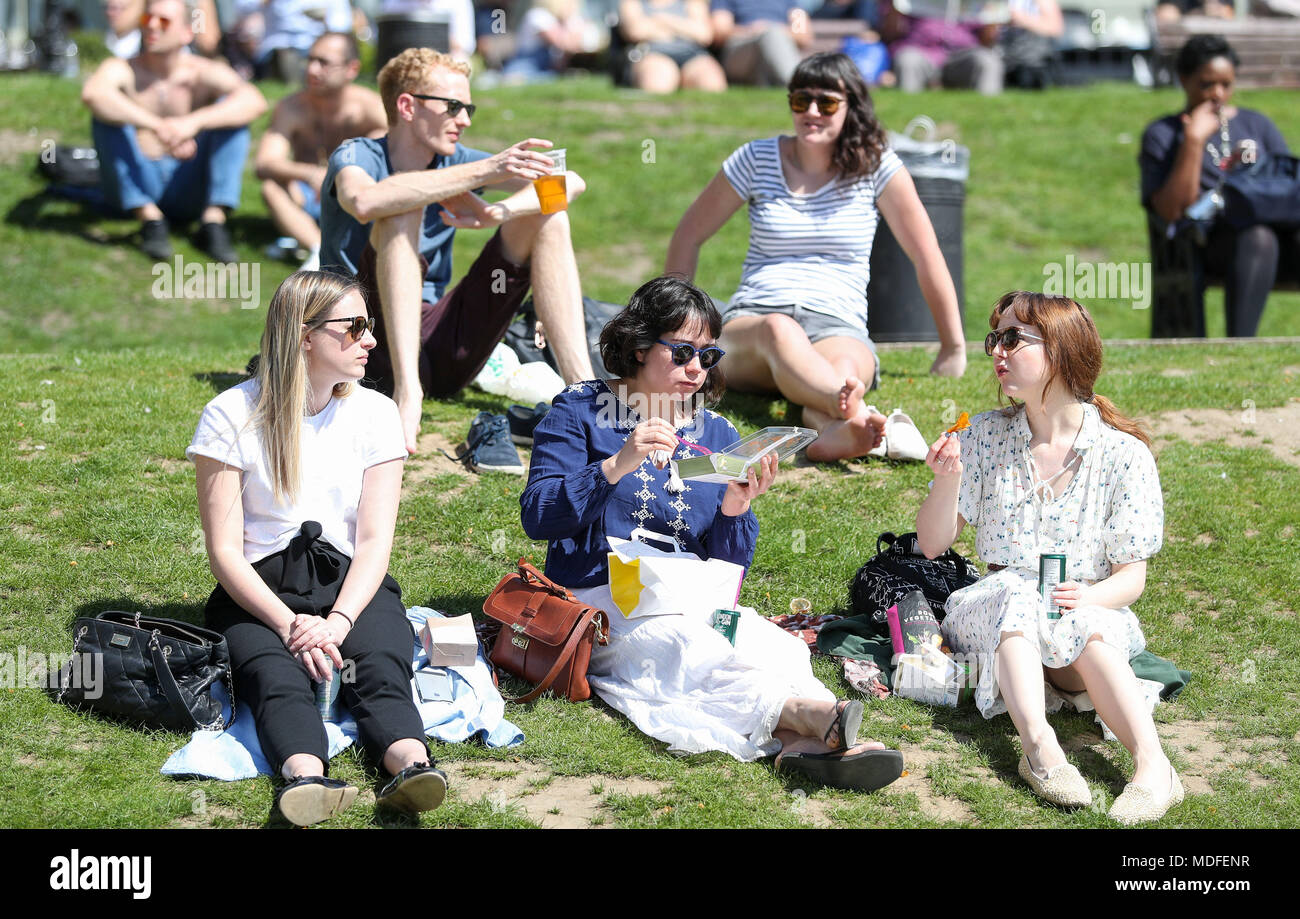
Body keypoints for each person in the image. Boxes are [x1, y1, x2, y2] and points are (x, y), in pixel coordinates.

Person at [520, 276, 905, 790]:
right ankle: (810, 718)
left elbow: (726, 568)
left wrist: (733, 509)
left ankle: (801, 740)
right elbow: (539, 515)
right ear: (637, 345)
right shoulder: (581, 411)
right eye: (682, 353)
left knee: (773, 646)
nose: (696, 369)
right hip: (603, 594)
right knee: (679, 646)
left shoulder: (717, 435)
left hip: (687, 593)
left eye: (709, 356)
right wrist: (616, 464)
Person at [187, 271, 447, 827]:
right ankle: (306, 778)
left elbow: (376, 539)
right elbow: (226, 553)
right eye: (354, 328)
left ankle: (411, 764)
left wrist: (339, 620)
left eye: (369, 326)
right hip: (259, 591)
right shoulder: (230, 415)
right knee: (274, 677)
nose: (370, 340)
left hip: (349, 581)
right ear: (304, 336)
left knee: (380, 660)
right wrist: (290, 626)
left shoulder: (376, 412)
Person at [916, 291, 1181, 825]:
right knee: (1016, 592)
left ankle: (1155, 769)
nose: (998, 351)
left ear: (1059, 352)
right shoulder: (984, 435)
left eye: (1013, 339)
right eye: (995, 338)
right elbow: (931, 544)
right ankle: (1041, 750)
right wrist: (946, 481)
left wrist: (1091, 596)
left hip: (1078, 615)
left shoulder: (1123, 455)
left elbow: (1131, 578)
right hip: (998, 614)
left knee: (1091, 623)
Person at [664, 52, 965, 463]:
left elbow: (926, 254)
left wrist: (953, 347)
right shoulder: (756, 158)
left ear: (850, 107)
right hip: (755, 320)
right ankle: (855, 410)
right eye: (799, 100)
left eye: (825, 103)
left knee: (842, 365)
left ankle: (834, 432)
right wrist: (678, 331)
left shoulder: (877, 166)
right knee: (780, 330)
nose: (811, 112)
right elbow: (689, 233)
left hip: (837, 321)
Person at [319, 46, 595, 454]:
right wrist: (487, 171)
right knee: (401, 205)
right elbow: (364, 201)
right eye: (452, 106)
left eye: (469, 108)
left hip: (440, 346)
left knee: (550, 213)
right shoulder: (358, 154)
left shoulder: (456, 159)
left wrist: (497, 211)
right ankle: (407, 394)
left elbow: (569, 182)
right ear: (407, 106)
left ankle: (583, 396)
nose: (463, 120)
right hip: (358, 339)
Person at [82, 0, 268, 262]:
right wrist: (158, 126)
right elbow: (93, 94)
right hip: (140, 180)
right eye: (148, 19)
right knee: (105, 117)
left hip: (189, 183)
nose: (153, 26)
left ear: (186, 32)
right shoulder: (124, 67)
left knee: (232, 117)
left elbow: (254, 101)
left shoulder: (201, 71)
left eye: (164, 21)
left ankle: (213, 222)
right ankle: (149, 219)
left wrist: (193, 123)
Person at [1140, 33, 1298, 338]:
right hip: (1205, 241)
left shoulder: (1257, 124)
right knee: (1258, 238)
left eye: (1226, 84)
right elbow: (1172, 211)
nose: (1218, 94)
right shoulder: (1163, 134)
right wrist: (1194, 140)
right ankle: (1240, 346)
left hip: (1279, 235)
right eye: (1207, 84)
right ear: (1184, 80)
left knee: (1265, 234)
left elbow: (1287, 182)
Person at [255, 31, 387, 270]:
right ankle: (317, 248)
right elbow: (264, 162)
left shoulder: (371, 109)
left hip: (351, 196)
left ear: (352, 69)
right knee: (271, 187)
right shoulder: (291, 108)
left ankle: (307, 240)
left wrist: (338, 175)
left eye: (324, 63)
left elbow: (395, 162)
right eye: (310, 60)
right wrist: (310, 174)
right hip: (306, 194)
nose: (312, 70)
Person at [616, 0, 727, 93]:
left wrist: (662, 19)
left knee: (712, 84)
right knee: (658, 82)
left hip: (693, 55)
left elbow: (704, 35)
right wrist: (685, 29)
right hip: (652, 53)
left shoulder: (692, 2)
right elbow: (635, 31)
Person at [709, 0, 811, 87]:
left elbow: (803, 35)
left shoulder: (789, 2)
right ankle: (799, 84)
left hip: (775, 44)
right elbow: (720, 32)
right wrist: (752, 31)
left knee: (772, 34)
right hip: (739, 53)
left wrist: (772, 29)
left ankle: (795, 82)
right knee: (770, 34)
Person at [502, 0, 593, 81]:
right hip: (525, 66)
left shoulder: (560, 20)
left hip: (545, 68)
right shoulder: (538, 16)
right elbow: (562, 43)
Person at [381, 0, 478, 62]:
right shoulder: (393, 3)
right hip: (403, 59)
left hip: (443, 59)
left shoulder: (459, 3)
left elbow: (465, 46)